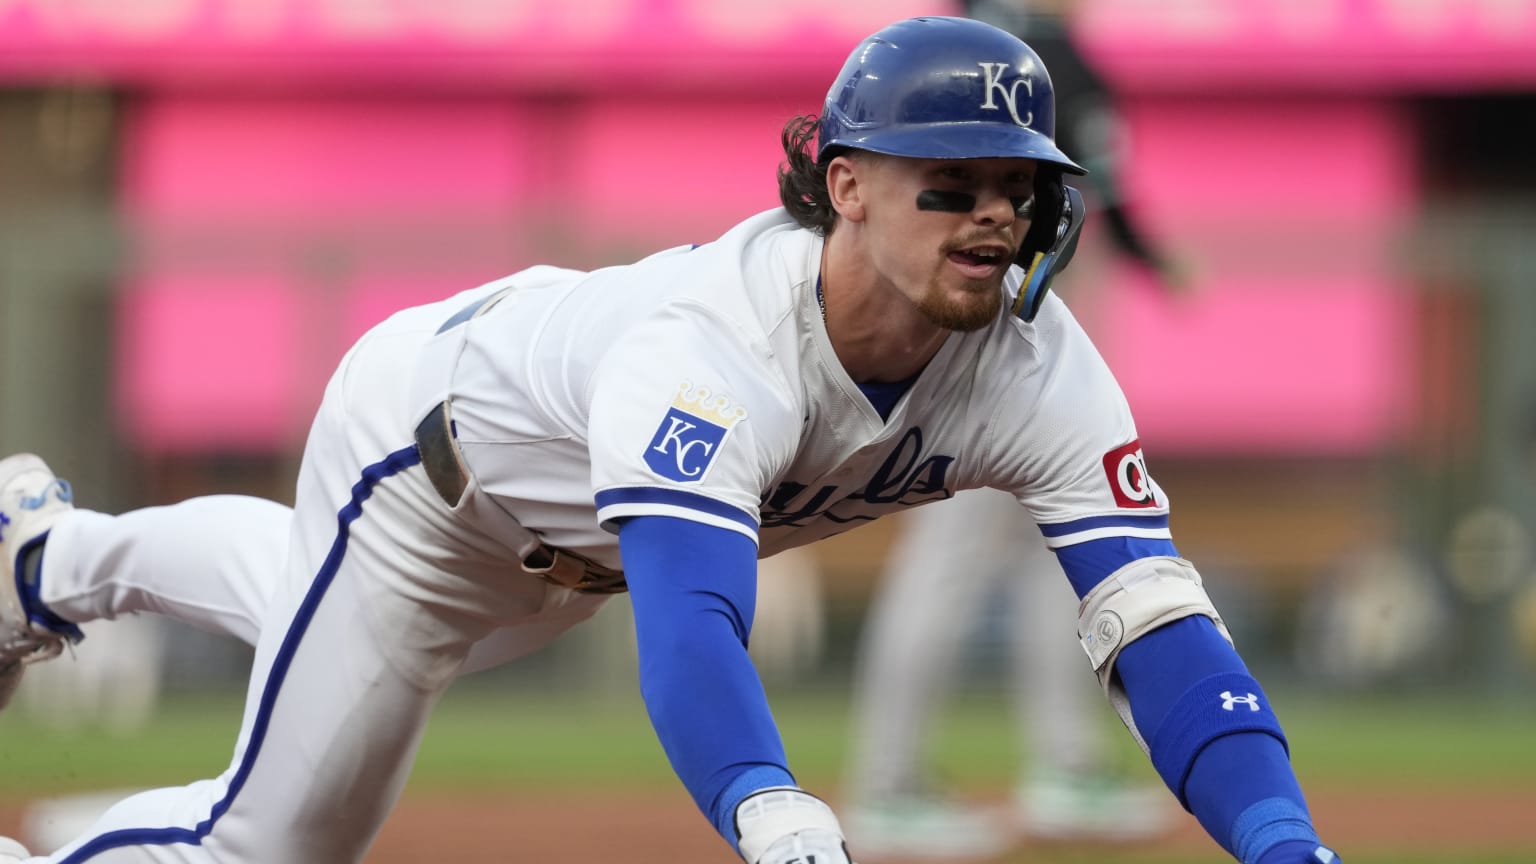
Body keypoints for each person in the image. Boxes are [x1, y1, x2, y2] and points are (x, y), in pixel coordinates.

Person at [0, 16, 1340, 864]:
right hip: (431, 479)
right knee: (278, 839)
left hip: (562, 555)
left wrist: (1282, 839)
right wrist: (771, 809)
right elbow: (694, 625)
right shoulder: (718, 350)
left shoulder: (1037, 365)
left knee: (314, 595)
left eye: (1022, 188)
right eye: (953, 183)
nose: (995, 218)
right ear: (848, 186)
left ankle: (44, 555)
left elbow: (1156, 625)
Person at [843, 0, 1192, 855]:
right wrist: (1154, 258)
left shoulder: (939, 41)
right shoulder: (1051, 51)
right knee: (958, 554)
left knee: (1051, 553)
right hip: (1002, 333)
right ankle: (888, 785)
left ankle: (1064, 766)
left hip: (939, 321)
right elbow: (1102, 176)